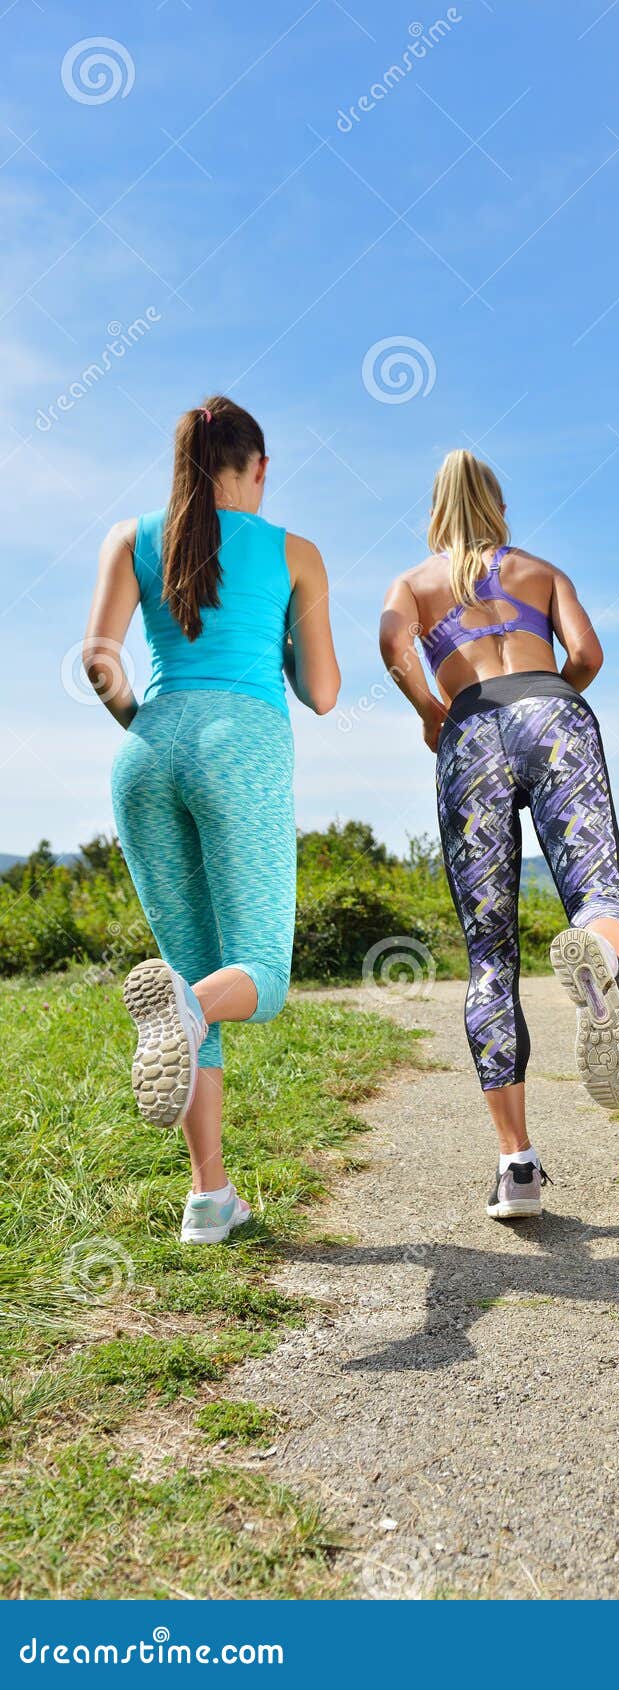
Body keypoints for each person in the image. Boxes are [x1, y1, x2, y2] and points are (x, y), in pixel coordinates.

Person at [83, 395, 340, 1243]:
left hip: (147, 751)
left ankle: (209, 1199)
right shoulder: (294, 552)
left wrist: (146, 724)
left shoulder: (130, 537)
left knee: (189, 971)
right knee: (255, 979)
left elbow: (100, 658)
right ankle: (187, 1014)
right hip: (243, 745)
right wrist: (278, 641)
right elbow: (323, 693)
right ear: (258, 468)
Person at [379, 449, 619, 1220]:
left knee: (490, 952)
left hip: (471, 732)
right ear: (497, 503)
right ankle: (597, 958)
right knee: (598, 896)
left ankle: (516, 1166)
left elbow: (393, 646)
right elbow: (589, 654)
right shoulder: (542, 570)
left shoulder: (415, 584)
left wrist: (434, 709)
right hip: (553, 713)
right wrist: (554, 695)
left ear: (435, 509)